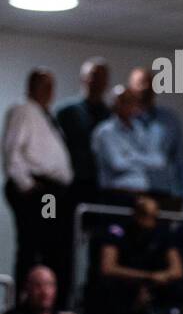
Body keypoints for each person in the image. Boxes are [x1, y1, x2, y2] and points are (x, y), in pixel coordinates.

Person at [2, 67, 74, 289]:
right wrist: (28, 186)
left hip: (49, 191)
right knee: (37, 243)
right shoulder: (24, 111)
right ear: (32, 87)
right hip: (40, 192)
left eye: (51, 86)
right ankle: (28, 297)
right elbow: (11, 150)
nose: (49, 91)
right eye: (44, 86)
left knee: (50, 243)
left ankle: (47, 296)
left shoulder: (46, 117)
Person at [96, 193, 183, 314]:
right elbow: (107, 267)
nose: (149, 221)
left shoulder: (163, 232)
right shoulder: (118, 230)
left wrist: (156, 279)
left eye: (153, 216)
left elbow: (177, 270)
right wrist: (146, 277)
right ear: (135, 214)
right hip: (124, 286)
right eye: (145, 215)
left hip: (154, 288)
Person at [127, 65, 183, 206]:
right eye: (140, 83)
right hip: (127, 192)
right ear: (130, 88)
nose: (145, 88)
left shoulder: (169, 120)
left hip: (161, 193)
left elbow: (182, 159)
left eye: (150, 84)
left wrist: (181, 193)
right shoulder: (119, 120)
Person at [91, 85, 166, 201]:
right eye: (122, 101)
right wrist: (144, 160)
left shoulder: (140, 130)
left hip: (142, 193)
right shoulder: (105, 132)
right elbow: (117, 164)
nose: (127, 105)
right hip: (114, 194)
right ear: (113, 104)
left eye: (130, 101)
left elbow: (159, 161)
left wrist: (131, 156)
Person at [55, 57, 111, 206]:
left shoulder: (111, 116)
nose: (97, 81)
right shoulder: (66, 112)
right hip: (72, 184)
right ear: (83, 78)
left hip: (103, 186)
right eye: (93, 75)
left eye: (101, 77)